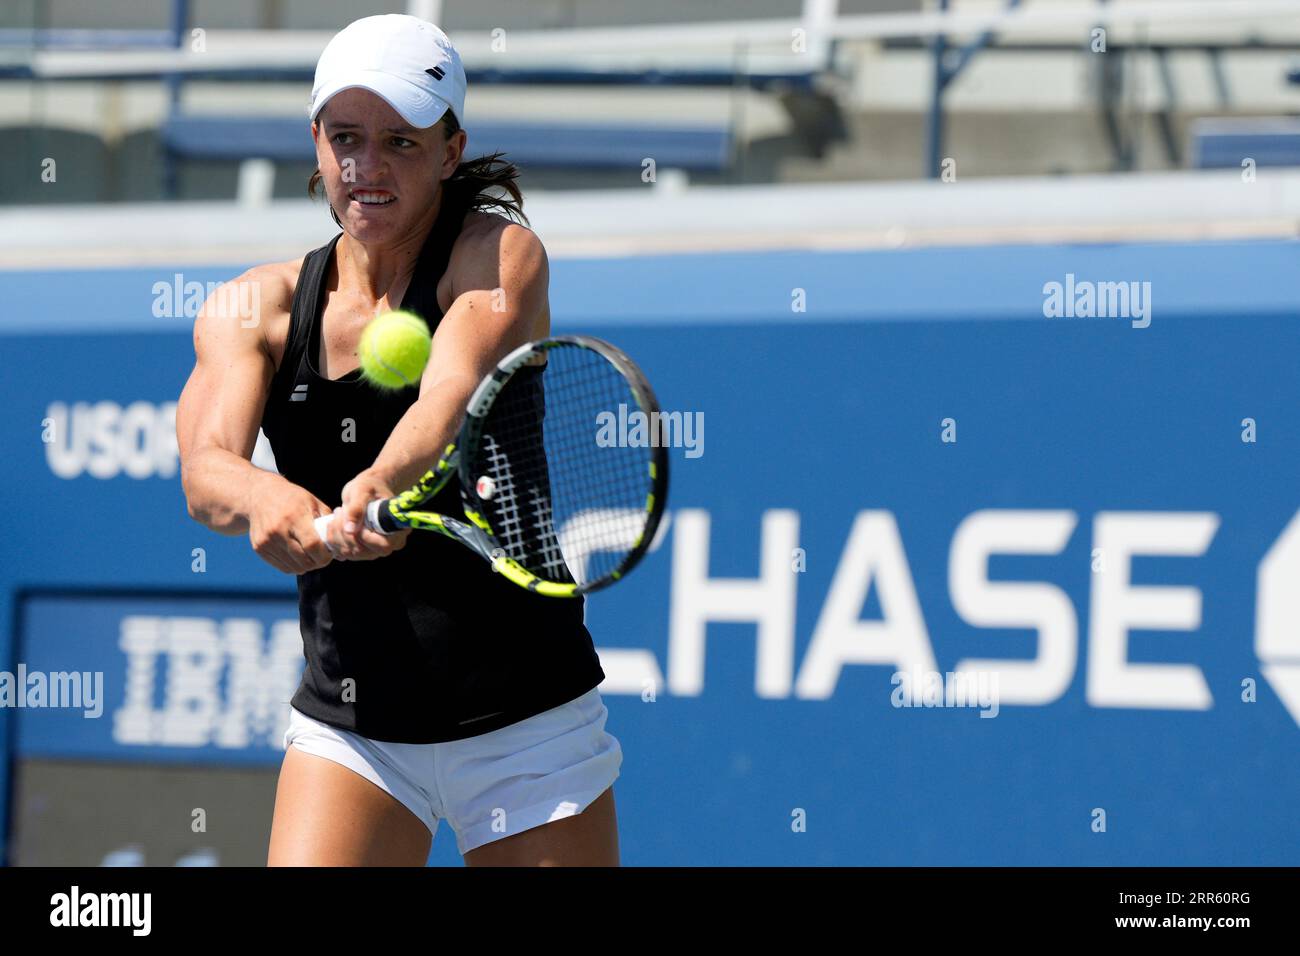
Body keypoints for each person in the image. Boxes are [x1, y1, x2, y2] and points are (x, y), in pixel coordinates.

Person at [176, 14, 621, 866]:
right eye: (345, 138)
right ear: (314, 141)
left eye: (400, 143)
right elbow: (205, 473)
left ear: (451, 150)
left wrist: (377, 481)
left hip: (527, 723)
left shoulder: (498, 254)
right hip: (356, 725)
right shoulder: (254, 306)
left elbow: (449, 395)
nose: (366, 169)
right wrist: (266, 497)